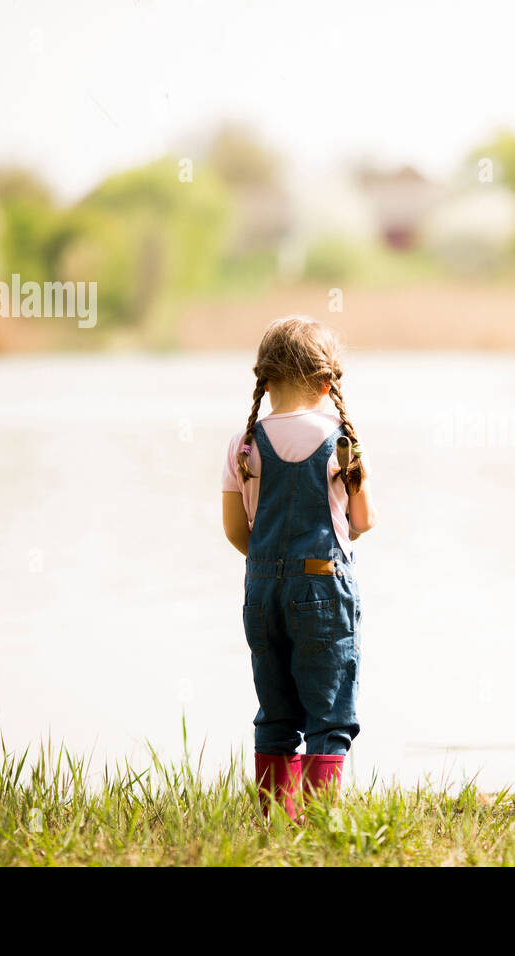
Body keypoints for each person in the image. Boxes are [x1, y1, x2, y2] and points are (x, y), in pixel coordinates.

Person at [220, 314, 375, 823]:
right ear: (328, 383)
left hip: (261, 592)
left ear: (264, 381)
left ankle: (273, 822)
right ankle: (317, 825)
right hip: (324, 589)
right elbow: (364, 522)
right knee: (329, 715)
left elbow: (236, 532)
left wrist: (273, 567)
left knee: (277, 711)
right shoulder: (342, 440)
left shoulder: (243, 445)